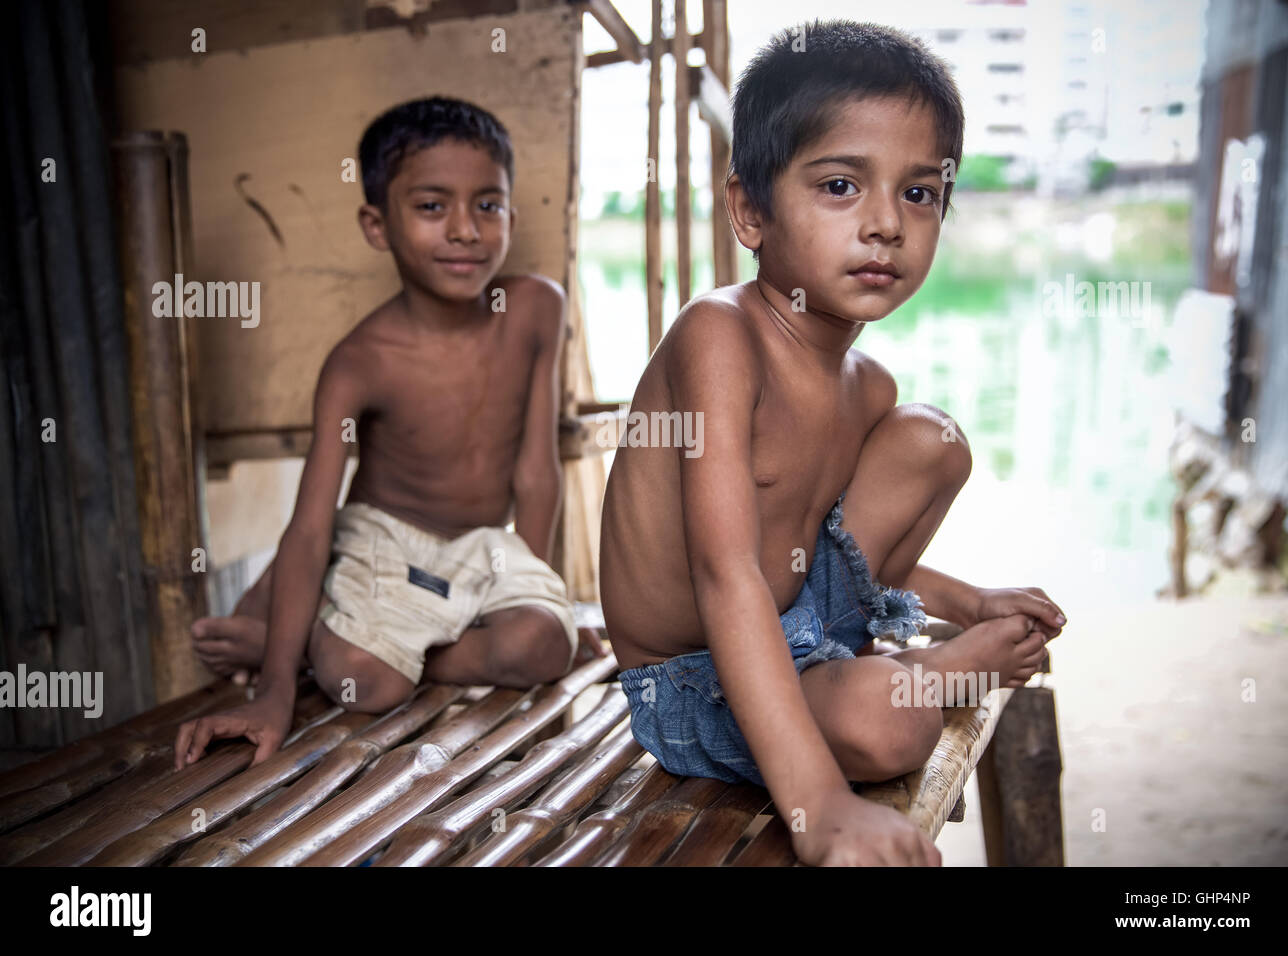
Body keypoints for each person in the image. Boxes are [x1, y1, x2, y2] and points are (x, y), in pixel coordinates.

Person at [598, 21, 1067, 867]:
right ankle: (952, 669)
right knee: (879, 731)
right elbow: (727, 570)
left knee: (934, 439)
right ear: (750, 210)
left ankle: (920, 653)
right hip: (693, 672)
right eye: (843, 185)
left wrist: (971, 597)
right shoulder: (719, 338)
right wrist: (818, 807)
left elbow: (826, 547)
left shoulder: (867, 387)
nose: (886, 223)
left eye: (919, 194)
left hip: (805, 624)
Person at [176, 96, 602, 771]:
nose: (465, 229)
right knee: (367, 682)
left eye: (487, 205)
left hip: (480, 550)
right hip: (381, 543)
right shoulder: (359, 362)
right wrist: (275, 689)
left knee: (545, 646)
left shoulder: (535, 310)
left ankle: (364, 637)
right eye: (432, 207)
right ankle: (311, 638)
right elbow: (314, 526)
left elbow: (535, 470)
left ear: (512, 217)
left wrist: (536, 588)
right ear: (377, 225)